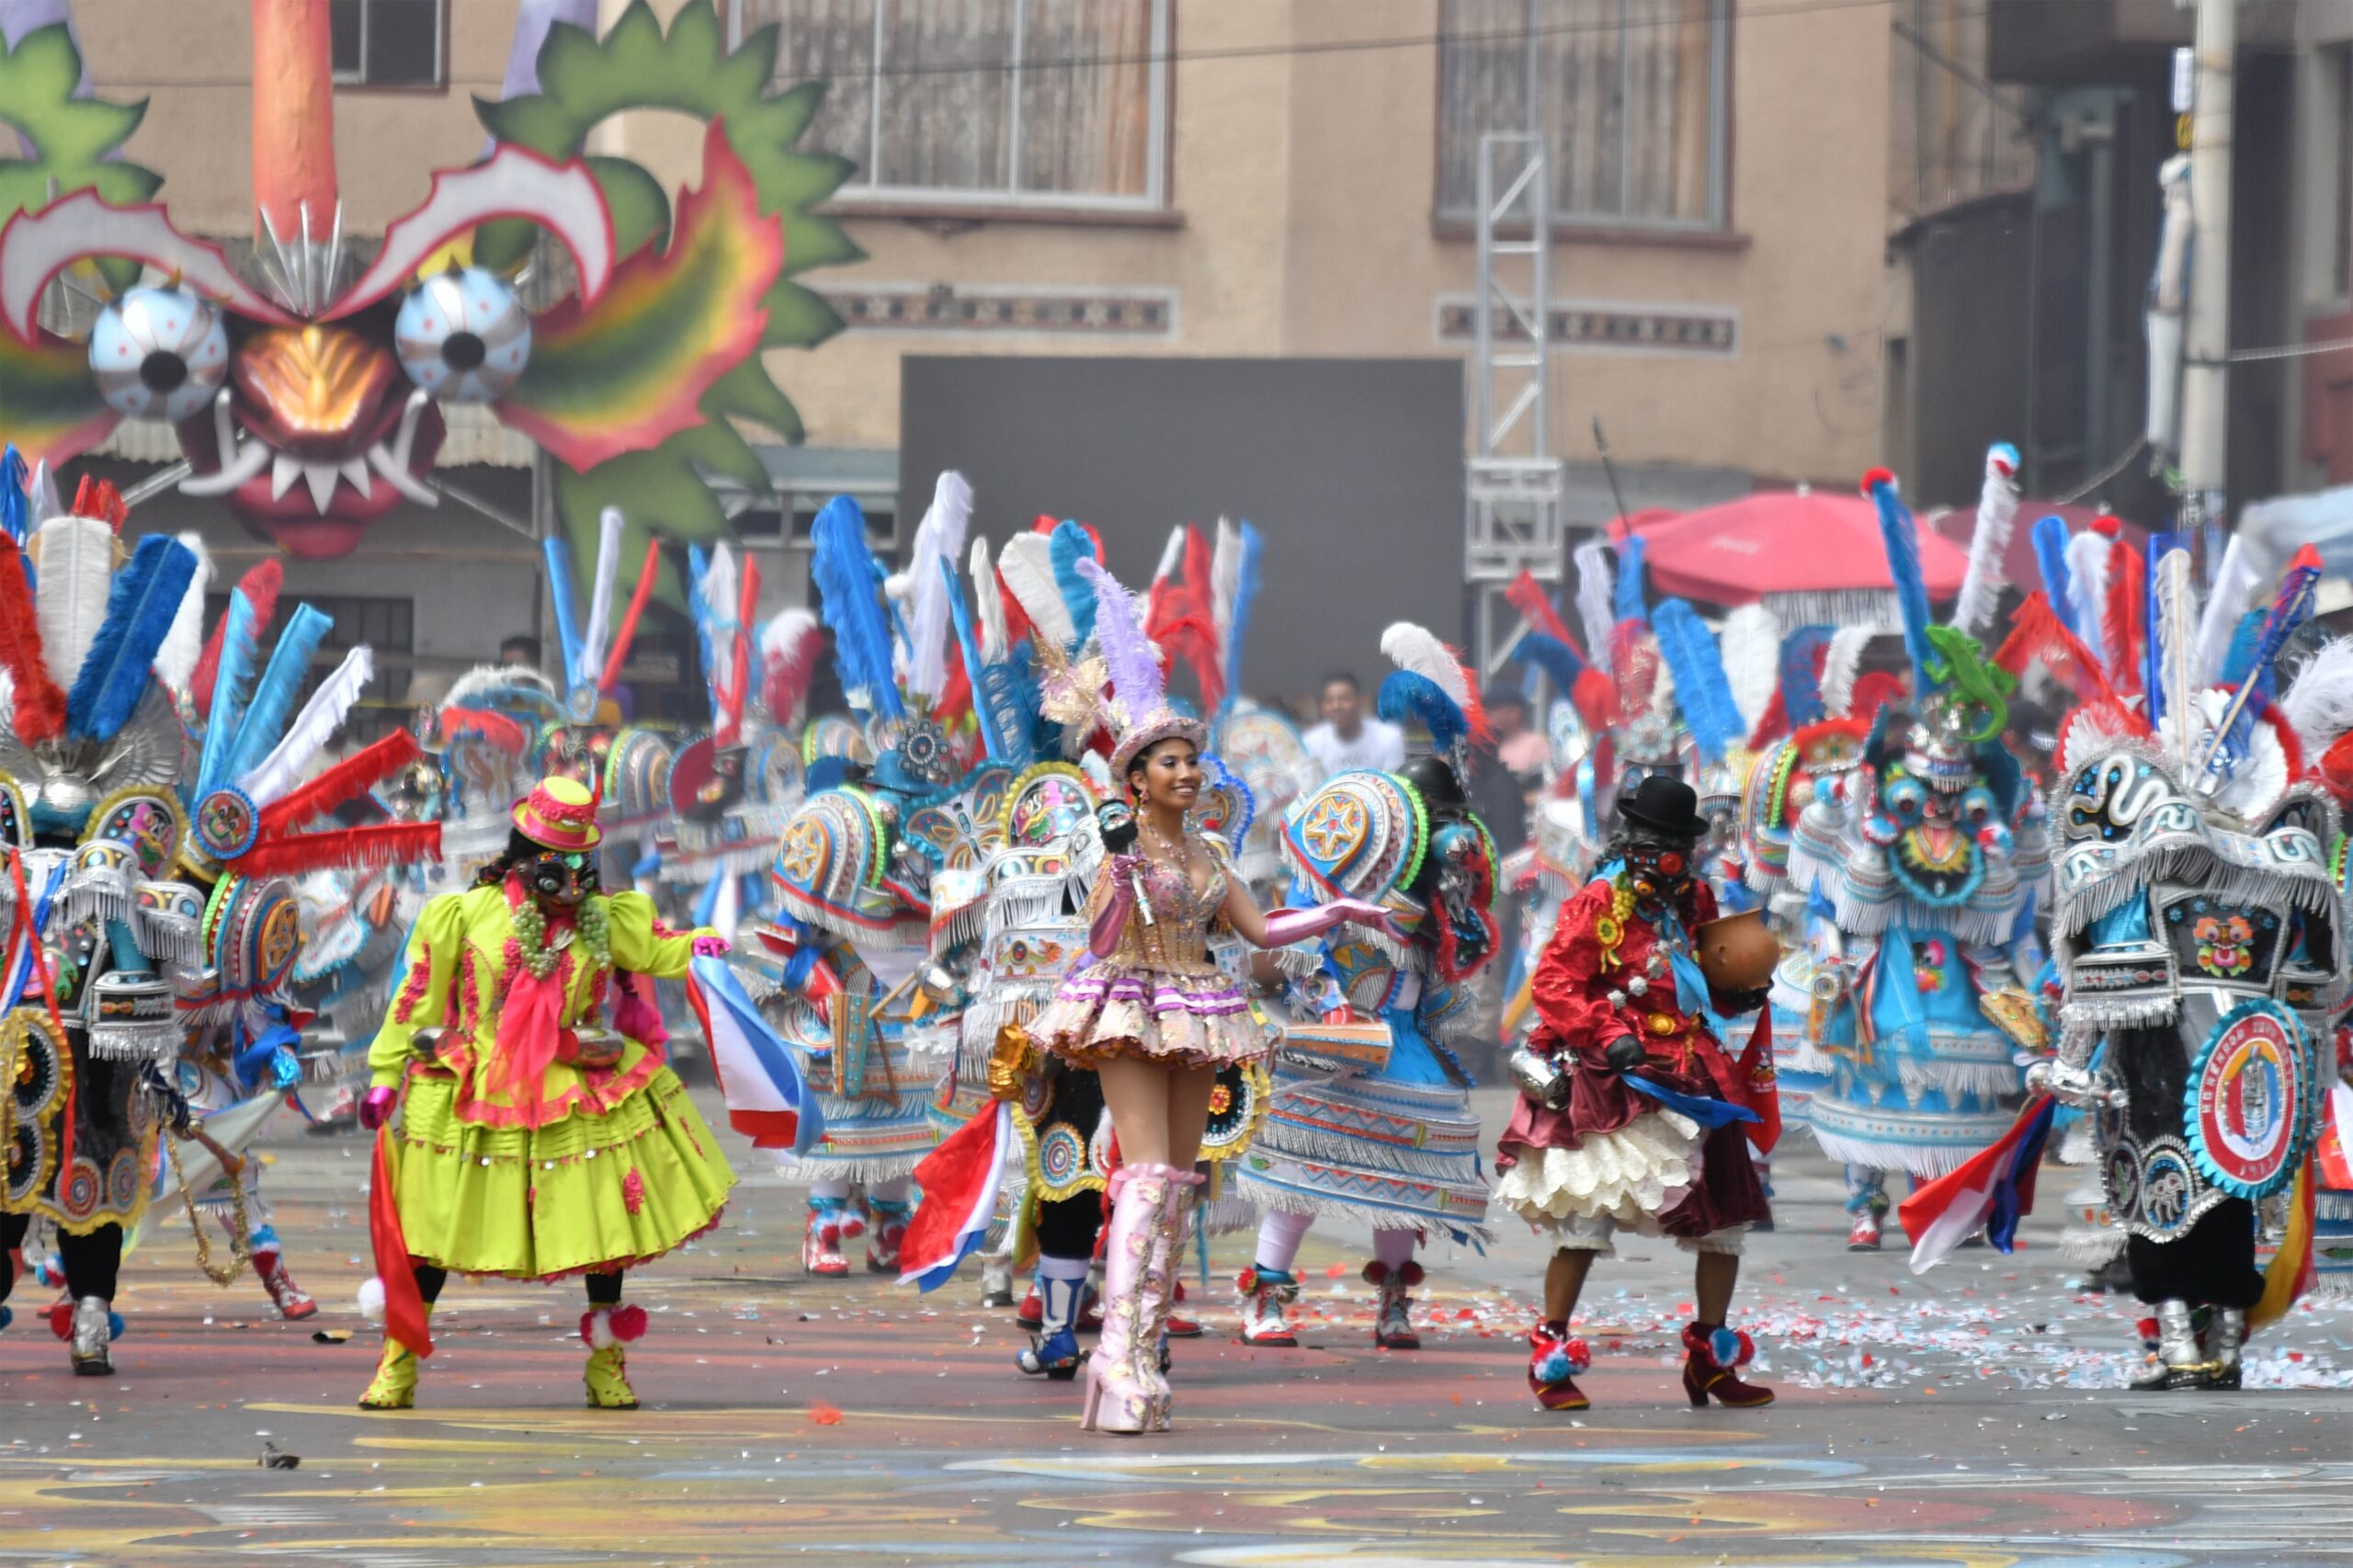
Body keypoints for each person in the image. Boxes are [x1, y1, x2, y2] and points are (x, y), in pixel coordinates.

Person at [1030, 557, 1398, 1435]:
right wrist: (1118, 862)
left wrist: (1338, 911)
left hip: (1200, 1007)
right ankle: (1115, 1359)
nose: (1189, 774)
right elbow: (1104, 936)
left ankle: (1146, 1352)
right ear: (1137, 779)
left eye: (1193, 761)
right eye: (1170, 763)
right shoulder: (1116, 847)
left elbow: (1260, 934)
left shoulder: (1210, 857)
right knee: (1148, 1176)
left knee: (1181, 1183)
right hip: (1127, 1003)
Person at [356, 776, 735, 1411]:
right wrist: (385, 1075)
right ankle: (397, 1364)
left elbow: (658, 950)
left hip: (577, 1079)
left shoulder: (602, 918)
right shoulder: (463, 915)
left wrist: (700, 947)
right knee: (433, 1231)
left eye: (579, 861)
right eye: (552, 861)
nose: (567, 875)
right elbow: (416, 998)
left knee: (603, 1227)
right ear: (521, 853)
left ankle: (606, 1365)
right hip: (477, 1082)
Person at [1233, 628, 1501, 1351]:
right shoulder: (1337, 880)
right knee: (1298, 1175)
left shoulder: (1445, 898)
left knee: (1405, 1181)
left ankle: (1393, 1303)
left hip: (1406, 1049)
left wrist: (1455, 915)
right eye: (1433, 831)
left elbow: (1456, 975)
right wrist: (1331, 1005)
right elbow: (1295, 956)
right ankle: (1266, 1301)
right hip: (1335, 1042)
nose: (1445, 843)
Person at [1497, 774, 1775, 1413]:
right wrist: (1608, 1030)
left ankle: (1709, 1361)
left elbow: (1710, 976)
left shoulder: (1697, 899)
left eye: (1680, 843)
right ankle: (1552, 1356)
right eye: (1658, 842)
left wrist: (1742, 987)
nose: (1669, 856)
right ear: (1634, 840)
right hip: (1614, 1074)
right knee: (1586, 1216)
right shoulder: (1599, 900)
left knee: (1724, 1219)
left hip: (1693, 1068)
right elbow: (1557, 984)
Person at [1302, 672, 1405, 778]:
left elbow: (1394, 787)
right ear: (1322, 707)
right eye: (1329, 701)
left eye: (1344, 699)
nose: (1336, 706)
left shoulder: (1389, 737)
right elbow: (1310, 789)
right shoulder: (1310, 742)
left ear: (1361, 702)